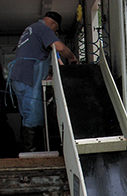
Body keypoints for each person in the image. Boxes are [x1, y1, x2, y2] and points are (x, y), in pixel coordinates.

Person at [7, 11, 78, 152]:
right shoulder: (43, 28)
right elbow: (59, 47)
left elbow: (52, 57)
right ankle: (32, 152)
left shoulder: (31, 29)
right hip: (29, 76)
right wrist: (72, 57)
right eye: (55, 30)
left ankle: (29, 150)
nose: (54, 33)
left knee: (26, 115)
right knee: (34, 116)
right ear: (53, 24)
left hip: (18, 77)